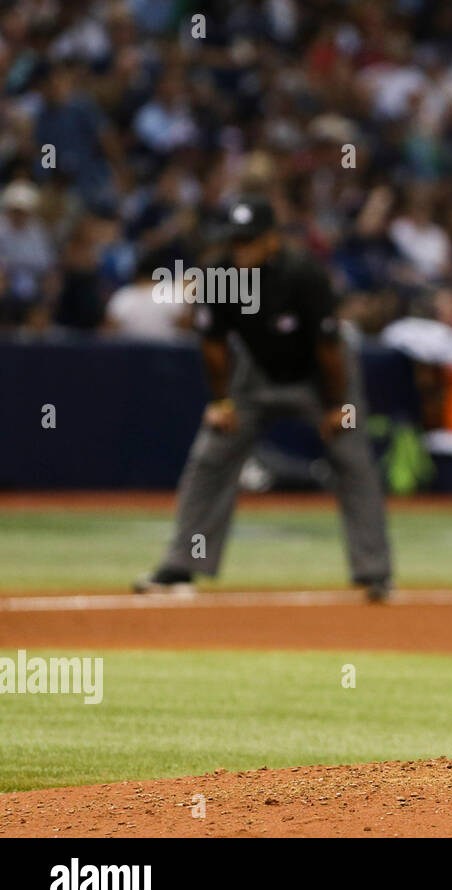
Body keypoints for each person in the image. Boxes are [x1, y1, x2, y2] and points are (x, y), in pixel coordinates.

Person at [134, 195, 393, 600]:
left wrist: (338, 405)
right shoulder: (218, 273)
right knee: (211, 455)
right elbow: (214, 344)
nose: (241, 250)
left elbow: (329, 347)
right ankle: (181, 565)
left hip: (320, 375)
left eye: (250, 241)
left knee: (351, 457)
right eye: (235, 241)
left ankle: (374, 572)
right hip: (256, 374)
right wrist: (221, 402)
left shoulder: (303, 273)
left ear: (272, 240)